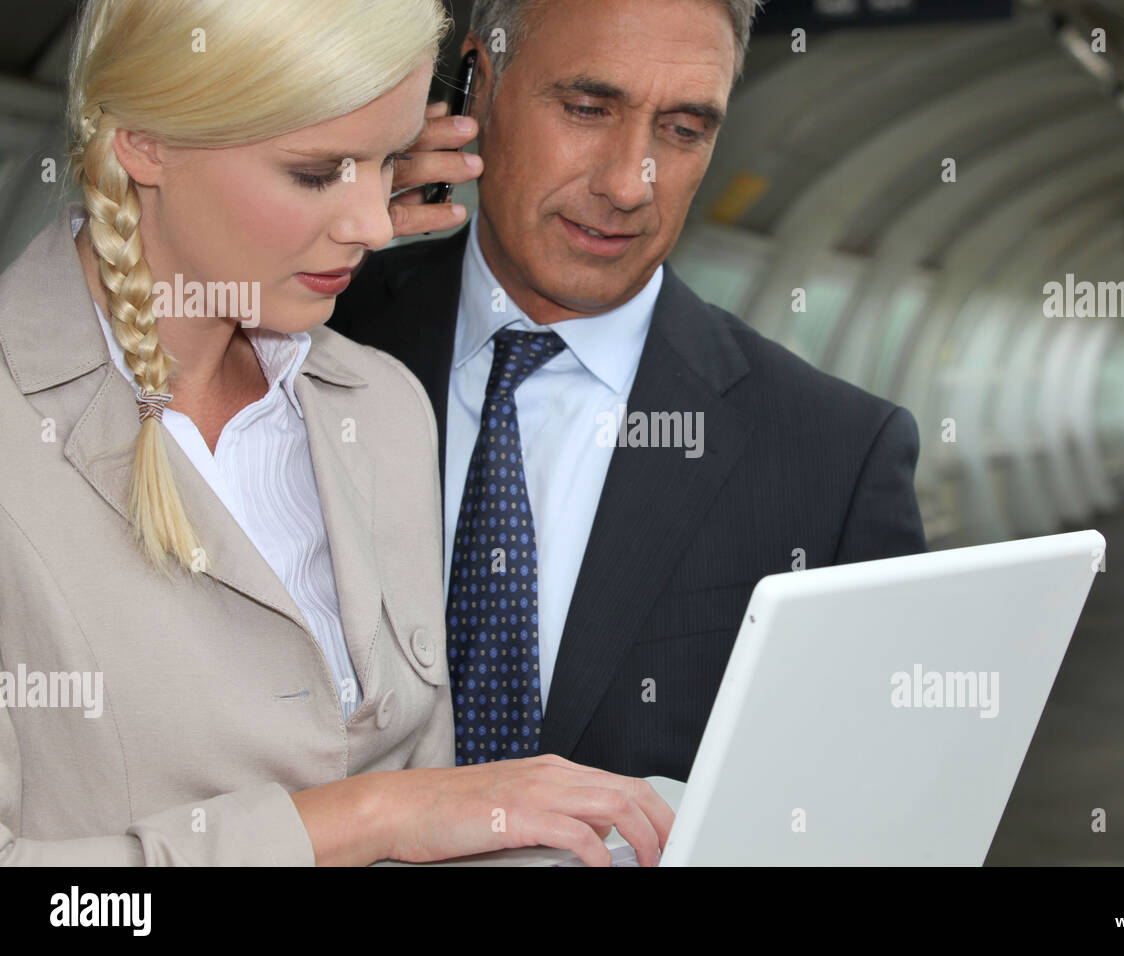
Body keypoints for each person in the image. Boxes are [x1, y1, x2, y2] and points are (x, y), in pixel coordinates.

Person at [0, 0, 671, 867]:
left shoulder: (380, 406)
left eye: (389, 161)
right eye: (318, 172)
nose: (375, 223)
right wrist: (366, 818)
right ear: (144, 142)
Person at [328, 0, 928, 782]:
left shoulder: (833, 457)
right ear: (479, 81)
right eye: (586, 108)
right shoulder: (302, 337)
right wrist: (329, 213)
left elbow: (874, 795)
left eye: (682, 129)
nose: (628, 184)